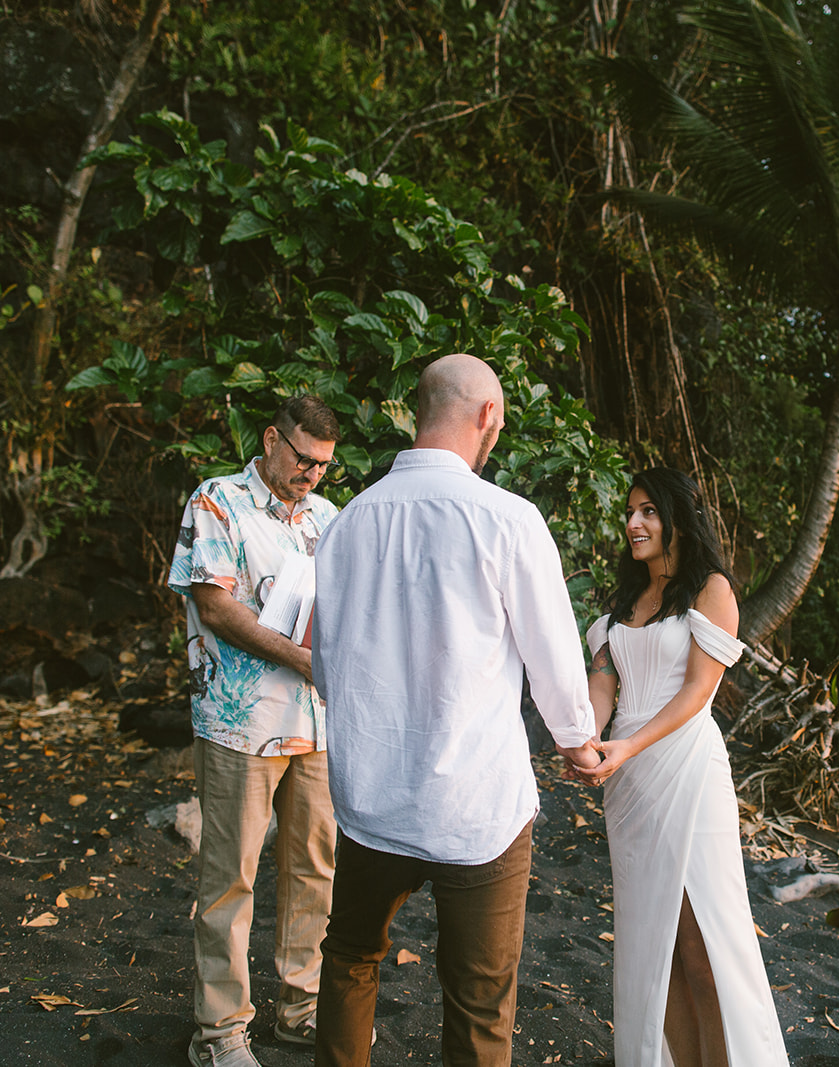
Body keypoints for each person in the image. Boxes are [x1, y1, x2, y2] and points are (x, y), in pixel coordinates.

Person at [310, 353, 602, 1067]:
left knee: (350, 956)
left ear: (419, 408)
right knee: (478, 998)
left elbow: (325, 662)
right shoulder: (507, 518)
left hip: (371, 801)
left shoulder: (347, 522)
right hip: (479, 810)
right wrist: (577, 740)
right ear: (489, 418)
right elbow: (556, 659)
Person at [573, 468, 790, 1067]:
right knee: (655, 949)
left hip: (685, 768)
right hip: (629, 782)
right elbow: (602, 684)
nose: (633, 523)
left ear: (676, 519)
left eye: (648, 511)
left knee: (703, 946)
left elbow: (698, 692)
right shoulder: (621, 603)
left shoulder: (711, 590)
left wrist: (628, 744)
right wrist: (590, 739)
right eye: (630, 512)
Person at [167, 395, 344, 1067]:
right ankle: (220, 1032)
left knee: (314, 871)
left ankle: (300, 1009)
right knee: (229, 877)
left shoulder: (329, 519)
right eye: (303, 458)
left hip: (318, 722)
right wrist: (302, 655)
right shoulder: (217, 501)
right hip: (241, 723)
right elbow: (214, 605)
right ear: (272, 439)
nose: (312, 474)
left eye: (324, 465)